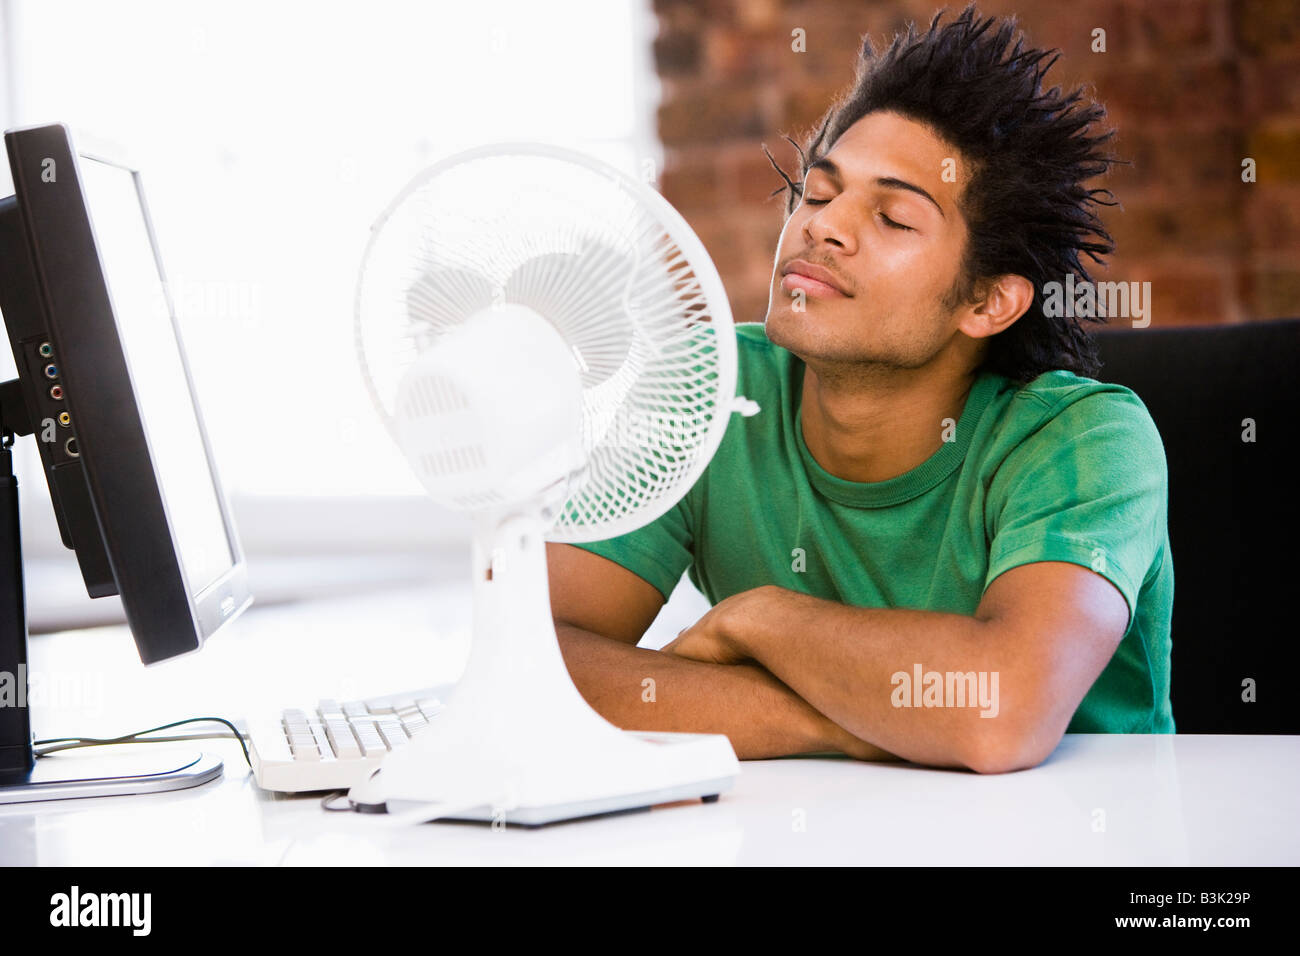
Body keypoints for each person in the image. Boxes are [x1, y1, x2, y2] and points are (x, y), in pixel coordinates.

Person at [548, 5, 1172, 774]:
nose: (824, 226)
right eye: (816, 193)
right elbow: (536, 665)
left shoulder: (1086, 443)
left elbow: (998, 712)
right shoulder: (706, 386)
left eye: (893, 217)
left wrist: (760, 621)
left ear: (987, 302)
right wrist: (840, 722)